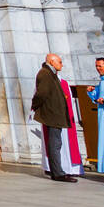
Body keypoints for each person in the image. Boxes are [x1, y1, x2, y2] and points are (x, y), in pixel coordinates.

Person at [30, 53, 77, 182]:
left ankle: (57, 171)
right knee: (55, 144)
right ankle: (58, 173)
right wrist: (35, 106)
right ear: (51, 62)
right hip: (52, 114)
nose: (61, 64)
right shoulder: (45, 74)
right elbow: (42, 93)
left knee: (56, 143)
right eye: (59, 62)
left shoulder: (51, 74)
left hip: (55, 114)